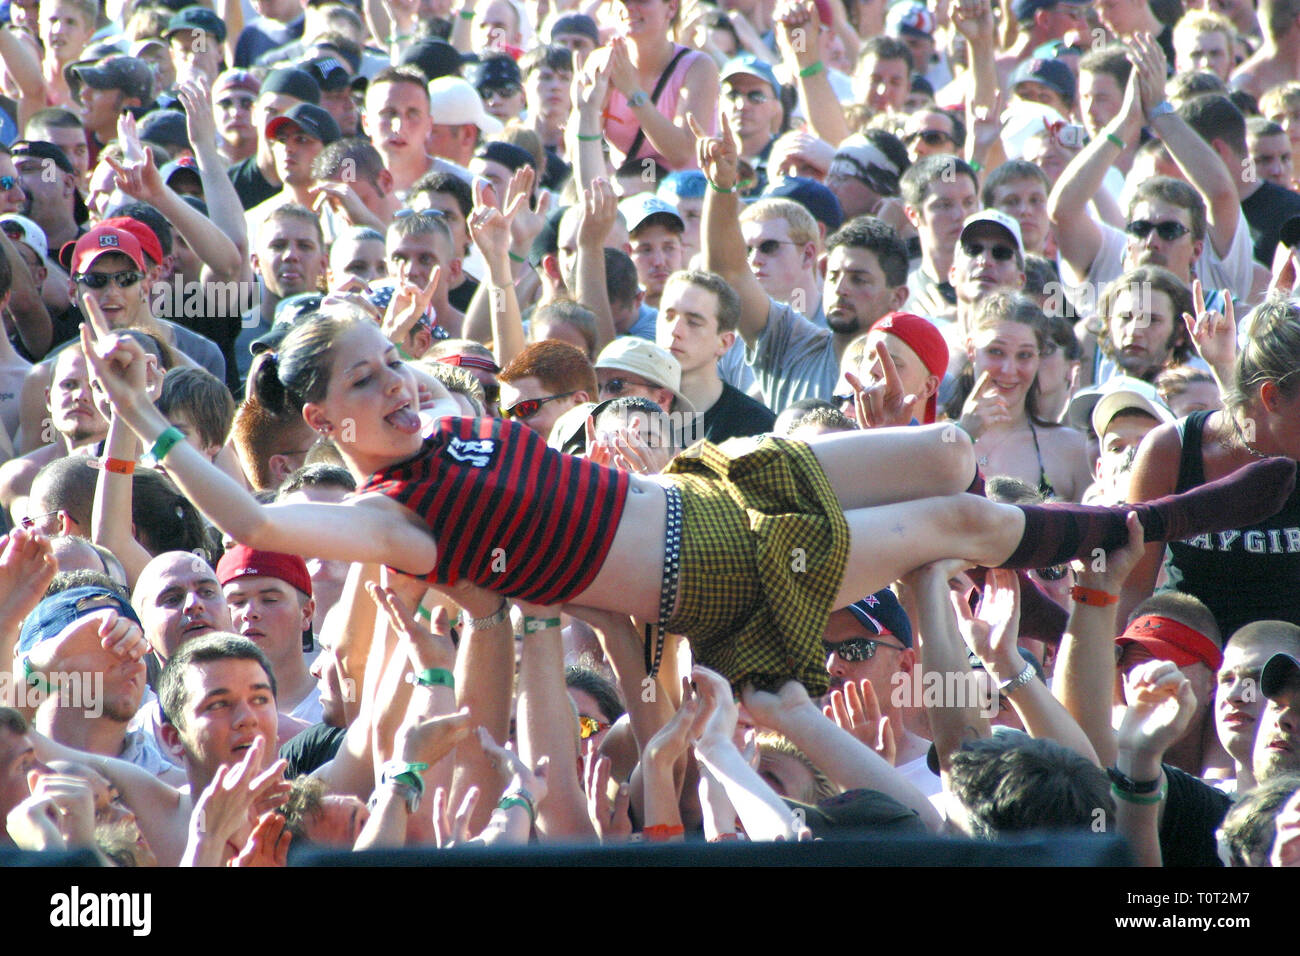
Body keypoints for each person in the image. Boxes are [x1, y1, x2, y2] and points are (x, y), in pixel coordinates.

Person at [81, 301, 1300, 696]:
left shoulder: (435, 424)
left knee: (938, 449)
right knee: (967, 520)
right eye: (364, 382)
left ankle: (1004, 618)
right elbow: (248, 520)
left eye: (388, 359)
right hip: (704, 573)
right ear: (329, 422)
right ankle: (1145, 531)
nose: (395, 382)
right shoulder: (386, 517)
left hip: (695, 487)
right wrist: (138, 423)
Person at [1123, 295, 1300, 637]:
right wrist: (1117, 687)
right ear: (1270, 397)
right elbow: (1131, 589)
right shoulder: (1170, 450)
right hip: (1182, 663)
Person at [947, 291, 1092, 501]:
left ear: (1038, 358)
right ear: (971, 349)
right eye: (996, 351)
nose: (1009, 369)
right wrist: (965, 434)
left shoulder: (1071, 449)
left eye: (1024, 355)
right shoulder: (940, 438)